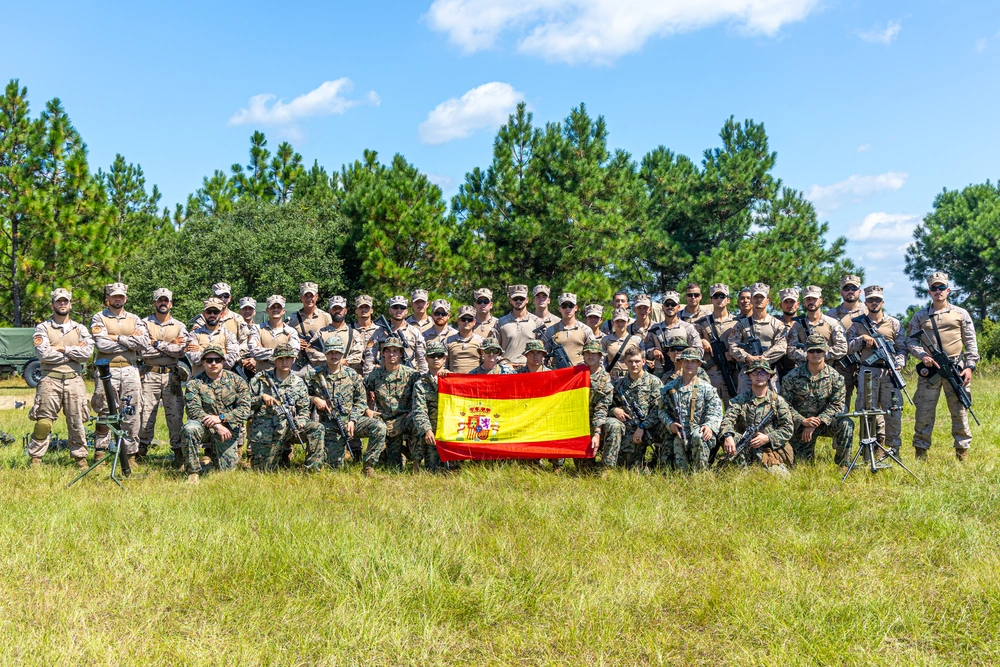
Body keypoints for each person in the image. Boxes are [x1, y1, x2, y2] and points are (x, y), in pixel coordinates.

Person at [906, 272, 979, 461]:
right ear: (929, 292)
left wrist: (970, 367)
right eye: (934, 288)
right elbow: (910, 341)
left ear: (948, 290)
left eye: (941, 287)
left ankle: (962, 453)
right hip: (931, 370)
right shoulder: (920, 316)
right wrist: (922, 355)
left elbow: (970, 342)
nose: (938, 291)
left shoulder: (960, 313)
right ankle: (921, 453)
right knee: (923, 412)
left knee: (960, 410)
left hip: (956, 369)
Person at [27, 288, 95, 469]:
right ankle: (35, 459)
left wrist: (62, 349)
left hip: (74, 380)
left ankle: (80, 458)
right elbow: (44, 354)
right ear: (53, 305)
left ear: (70, 305)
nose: (62, 304)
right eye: (59, 301)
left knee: (77, 422)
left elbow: (87, 353)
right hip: (50, 380)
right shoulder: (43, 328)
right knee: (43, 422)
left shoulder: (79, 328)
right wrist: (73, 353)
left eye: (65, 301)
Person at [90, 282, 149, 468]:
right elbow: (102, 344)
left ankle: (130, 454)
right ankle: (100, 451)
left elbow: (144, 342)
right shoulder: (99, 318)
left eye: (121, 296)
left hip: (130, 370)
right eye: (114, 296)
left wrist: (116, 337)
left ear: (126, 298)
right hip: (107, 370)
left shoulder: (134, 319)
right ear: (107, 298)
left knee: (131, 411)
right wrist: (130, 342)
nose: (118, 299)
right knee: (105, 411)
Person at [306, 337, 386, 470]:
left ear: (342, 354)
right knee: (334, 467)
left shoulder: (351, 375)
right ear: (325, 353)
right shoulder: (314, 375)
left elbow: (361, 401)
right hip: (329, 425)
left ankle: (369, 466)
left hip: (351, 421)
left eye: (337, 352)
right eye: (330, 352)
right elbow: (302, 397)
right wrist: (314, 399)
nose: (334, 356)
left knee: (379, 426)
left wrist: (353, 420)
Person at [845, 285, 907, 457]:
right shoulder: (857, 324)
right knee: (867, 411)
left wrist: (899, 364)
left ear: (882, 302)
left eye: (877, 300)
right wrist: (862, 340)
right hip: (868, 372)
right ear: (865, 302)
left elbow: (902, 348)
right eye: (871, 300)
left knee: (893, 411)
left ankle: (893, 450)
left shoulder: (893, 323)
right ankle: (868, 450)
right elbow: (847, 347)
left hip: (890, 373)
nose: (874, 303)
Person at [247, 343, 325, 471]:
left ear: (293, 360)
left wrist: (300, 421)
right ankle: (281, 456)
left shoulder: (298, 383)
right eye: (281, 359)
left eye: (288, 358)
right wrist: (261, 398)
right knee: (265, 471)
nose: (284, 362)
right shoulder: (260, 379)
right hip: (267, 430)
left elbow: (304, 409)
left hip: (290, 427)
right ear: (275, 361)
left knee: (317, 428)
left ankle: (311, 469)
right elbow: (245, 404)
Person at [780, 335, 853, 469]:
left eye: (819, 350)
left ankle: (843, 465)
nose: (815, 354)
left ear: (825, 351)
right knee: (803, 466)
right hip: (800, 425)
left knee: (846, 424)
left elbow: (837, 405)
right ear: (806, 353)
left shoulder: (835, 377)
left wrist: (817, 421)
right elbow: (784, 405)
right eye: (811, 351)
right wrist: (803, 421)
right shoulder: (791, 377)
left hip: (825, 423)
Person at [181, 345, 251, 483]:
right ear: (203, 362)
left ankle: (210, 460)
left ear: (223, 362)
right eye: (209, 360)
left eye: (217, 360)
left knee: (227, 471)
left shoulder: (237, 381)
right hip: (204, 427)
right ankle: (193, 472)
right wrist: (216, 425)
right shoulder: (194, 383)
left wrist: (221, 418)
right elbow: (193, 410)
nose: (213, 363)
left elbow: (244, 409)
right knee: (189, 428)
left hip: (227, 429)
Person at [138, 288, 188, 465]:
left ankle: (178, 452)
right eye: (160, 300)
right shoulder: (143, 324)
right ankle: (141, 451)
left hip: (171, 377)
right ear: (154, 303)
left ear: (171, 304)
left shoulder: (179, 326)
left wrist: (156, 343)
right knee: (145, 414)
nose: (163, 303)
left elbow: (181, 351)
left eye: (166, 300)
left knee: (175, 415)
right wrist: (170, 344)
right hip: (149, 375)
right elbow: (143, 350)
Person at [719, 360, 795, 476]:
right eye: (755, 372)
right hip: (744, 445)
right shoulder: (739, 400)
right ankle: (742, 470)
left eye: (763, 372)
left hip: (768, 448)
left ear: (769, 376)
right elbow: (727, 419)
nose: (759, 376)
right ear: (749, 376)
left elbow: (788, 428)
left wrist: (767, 438)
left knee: (782, 477)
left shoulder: (778, 401)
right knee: (731, 470)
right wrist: (728, 436)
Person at [658, 347, 724, 472]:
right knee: (678, 470)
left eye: (693, 361)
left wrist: (709, 426)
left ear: (699, 364)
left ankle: (701, 475)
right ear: (681, 362)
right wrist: (670, 424)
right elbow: (662, 411)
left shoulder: (707, 388)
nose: (689, 364)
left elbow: (716, 411)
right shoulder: (669, 388)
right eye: (686, 361)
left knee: (698, 437)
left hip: (700, 432)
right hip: (679, 433)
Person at [364, 336, 420, 472]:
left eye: (395, 351)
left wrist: (413, 411)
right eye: (388, 351)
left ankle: (416, 463)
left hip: (405, 418)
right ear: (383, 353)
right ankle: (387, 456)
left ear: (401, 354)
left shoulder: (411, 375)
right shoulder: (375, 375)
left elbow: (421, 395)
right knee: (394, 467)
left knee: (418, 422)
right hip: (385, 419)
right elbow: (359, 394)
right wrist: (367, 409)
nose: (391, 354)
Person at [607, 347, 663, 470]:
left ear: (643, 361)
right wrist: (614, 410)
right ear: (625, 363)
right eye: (630, 361)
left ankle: (661, 460)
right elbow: (608, 405)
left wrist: (643, 426)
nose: (634, 365)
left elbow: (659, 409)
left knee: (666, 430)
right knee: (629, 467)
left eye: (637, 361)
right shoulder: (620, 385)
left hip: (652, 427)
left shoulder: (654, 382)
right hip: (631, 429)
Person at [727, 283, 787, 394]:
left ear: (767, 300)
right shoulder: (741, 324)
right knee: (743, 403)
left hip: (770, 373)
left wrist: (763, 358)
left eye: (762, 297)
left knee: (772, 402)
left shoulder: (777, 324)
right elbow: (732, 345)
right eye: (755, 297)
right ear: (751, 300)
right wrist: (747, 357)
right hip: (747, 373)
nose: (759, 300)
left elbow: (782, 346)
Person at [190, 282, 252, 376]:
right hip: (201, 371)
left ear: (230, 298)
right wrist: (223, 352)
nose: (223, 299)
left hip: (230, 369)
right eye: (219, 296)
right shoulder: (201, 321)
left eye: (226, 296)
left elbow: (244, 343)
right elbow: (193, 351)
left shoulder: (237, 319)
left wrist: (204, 350)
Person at [581, 339, 625, 469]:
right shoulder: (577, 375)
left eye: (594, 353)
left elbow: (602, 409)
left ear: (600, 356)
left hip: (597, 422)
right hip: (579, 423)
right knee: (584, 469)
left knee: (614, 425)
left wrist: (597, 432)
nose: (590, 356)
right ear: (583, 355)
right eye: (587, 353)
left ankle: (607, 467)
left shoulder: (606, 380)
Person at [826, 274, 868, 410]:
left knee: (869, 405)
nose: (850, 291)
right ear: (841, 292)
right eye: (846, 288)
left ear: (860, 291)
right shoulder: (831, 315)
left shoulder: (869, 311)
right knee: (840, 406)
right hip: (841, 366)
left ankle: (871, 426)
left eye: (854, 288)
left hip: (866, 364)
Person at [694, 283, 739, 407]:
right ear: (711, 300)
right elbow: (691, 339)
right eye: (715, 296)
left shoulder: (737, 322)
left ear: (728, 300)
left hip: (732, 371)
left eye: (722, 296)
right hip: (711, 373)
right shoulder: (702, 322)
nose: (719, 299)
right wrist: (701, 340)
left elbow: (743, 343)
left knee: (734, 408)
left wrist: (734, 355)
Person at [785, 286, 847, 368]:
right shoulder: (797, 325)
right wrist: (808, 356)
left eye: (814, 299)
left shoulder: (832, 323)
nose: (811, 302)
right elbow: (791, 351)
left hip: (828, 370)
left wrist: (821, 355)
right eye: (808, 299)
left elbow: (842, 348)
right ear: (804, 302)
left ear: (821, 301)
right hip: (805, 370)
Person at [644, 291, 699, 379]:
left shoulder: (687, 328)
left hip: (682, 374)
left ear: (678, 307)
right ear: (662, 307)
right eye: (667, 304)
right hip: (660, 374)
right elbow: (645, 350)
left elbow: (698, 350)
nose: (670, 307)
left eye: (673, 304)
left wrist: (682, 354)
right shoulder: (654, 329)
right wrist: (653, 351)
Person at [411, 340, 447, 472]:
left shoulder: (453, 380)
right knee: (433, 469)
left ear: (444, 358)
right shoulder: (421, 384)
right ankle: (416, 463)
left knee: (454, 469)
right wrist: (427, 430)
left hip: (450, 429)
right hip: (432, 429)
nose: (436, 359)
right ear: (426, 359)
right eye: (432, 356)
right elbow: (419, 410)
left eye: (439, 355)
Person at [371, 295, 428, 372]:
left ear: (406, 311)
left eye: (402, 308)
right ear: (390, 310)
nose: (399, 310)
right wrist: (369, 377)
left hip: (409, 375)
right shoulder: (379, 332)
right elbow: (370, 357)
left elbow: (422, 359)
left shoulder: (414, 332)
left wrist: (423, 376)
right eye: (395, 307)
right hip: (385, 375)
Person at [186, 297, 240, 377]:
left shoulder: (229, 335)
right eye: (209, 312)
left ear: (221, 314)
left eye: (215, 312)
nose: (212, 315)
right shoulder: (194, 334)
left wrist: (202, 349)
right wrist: (222, 352)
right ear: (203, 314)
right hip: (199, 381)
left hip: (223, 381)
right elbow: (194, 359)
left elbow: (230, 361)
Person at [248, 295, 301, 373]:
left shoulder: (291, 331)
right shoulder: (257, 329)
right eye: (272, 307)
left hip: (284, 376)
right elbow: (254, 352)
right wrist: (283, 354)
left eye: (279, 307)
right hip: (263, 375)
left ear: (283, 311)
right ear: (267, 310)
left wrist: (264, 354)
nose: (276, 309)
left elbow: (293, 353)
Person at [494, 284, 543, 369]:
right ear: (510, 300)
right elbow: (493, 348)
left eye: (521, 298)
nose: (518, 301)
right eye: (515, 299)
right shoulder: (500, 323)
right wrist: (503, 363)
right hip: (507, 369)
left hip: (530, 369)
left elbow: (543, 348)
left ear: (527, 300)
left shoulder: (537, 322)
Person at [287, 281, 333, 372]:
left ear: (316, 297)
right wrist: (296, 342)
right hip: (299, 364)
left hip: (321, 362)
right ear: (301, 297)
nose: (309, 299)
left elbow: (332, 338)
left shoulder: (326, 317)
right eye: (306, 296)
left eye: (311, 296)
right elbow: (285, 338)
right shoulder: (292, 318)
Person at [542, 293, 595, 367]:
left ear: (576, 308)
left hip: (580, 371)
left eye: (571, 306)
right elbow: (544, 355)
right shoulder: (551, 330)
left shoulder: (585, 330)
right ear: (559, 309)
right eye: (564, 306)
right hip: (558, 371)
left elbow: (594, 353)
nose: (567, 309)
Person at [319, 295, 366, 375]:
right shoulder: (321, 333)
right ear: (329, 311)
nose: (337, 311)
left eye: (340, 308)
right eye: (334, 308)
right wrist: (329, 360)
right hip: (324, 375)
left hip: (347, 376)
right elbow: (311, 351)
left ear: (345, 311)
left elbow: (357, 355)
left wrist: (344, 361)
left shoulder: (354, 333)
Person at [601, 308, 642, 379]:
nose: (620, 324)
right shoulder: (605, 340)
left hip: (630, 377)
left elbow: (641, 361)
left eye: (623, 321)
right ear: (613, 322)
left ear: (628, 322)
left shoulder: (636, 340)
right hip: (611, 378)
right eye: (617, 321)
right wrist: (604, 377)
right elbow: (602, 362)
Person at [444, 306, 485, 374]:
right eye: (463, 319)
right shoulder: (448, 341)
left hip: (475, 379)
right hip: (454, 379)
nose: (466, 322)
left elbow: (487, 363)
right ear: (458, 321)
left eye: (469, 319)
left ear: (474, 322)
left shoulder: (481, 341)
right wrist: (444, 371)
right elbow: (442, 364)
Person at [352, 294, 380, 376]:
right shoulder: (349, 330)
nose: (364, 310)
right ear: (356, 311)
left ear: (372, 310)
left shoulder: (379, 330)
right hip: (353, 372)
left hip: (375, 373)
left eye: (367, 307)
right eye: (361, 307)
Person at [776, 287, 801, 381]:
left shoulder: (804, 324)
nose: (789, 305)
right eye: (786, 302)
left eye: (792, 302)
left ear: (798, 304)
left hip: (799, 369)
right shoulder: (774, 323)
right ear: (780, 305)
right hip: (777, 368)